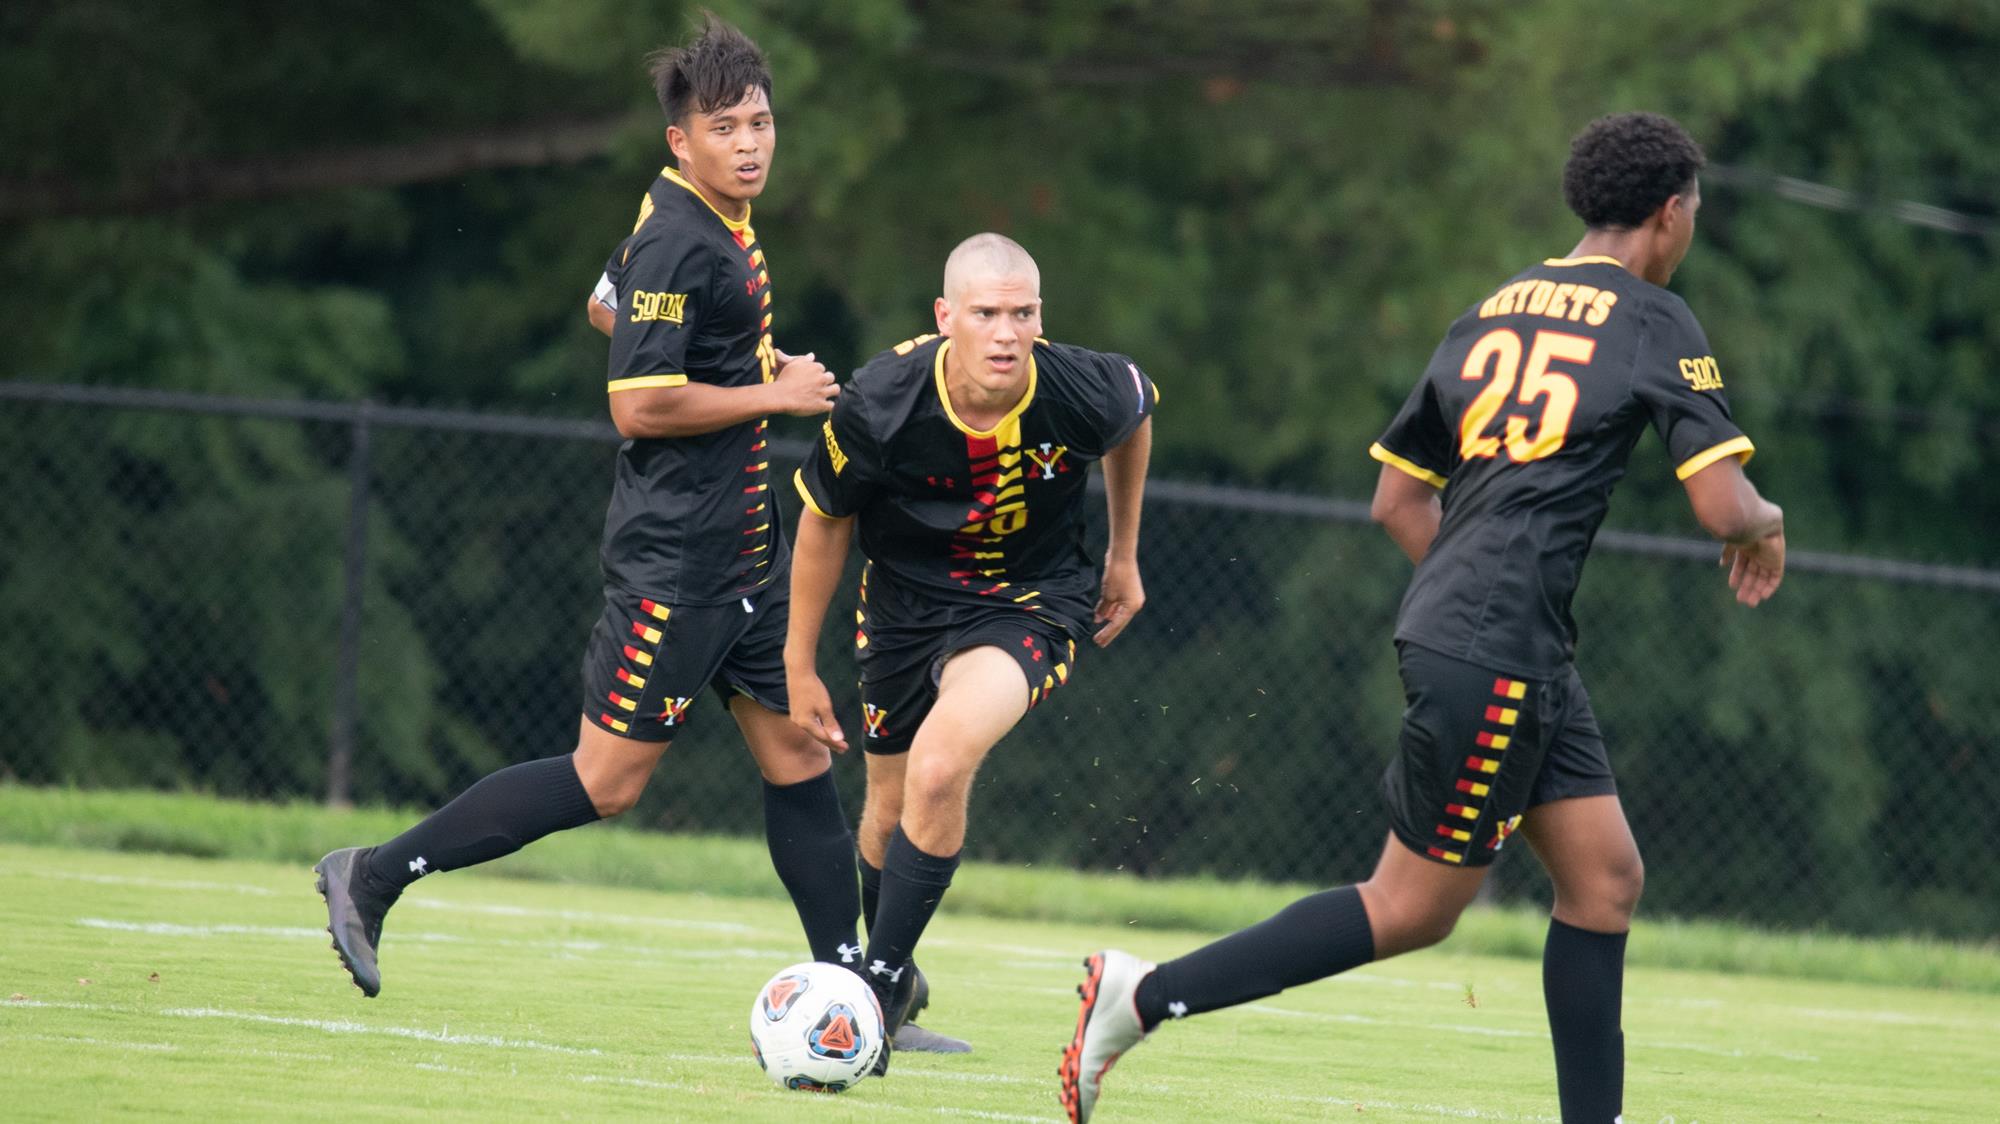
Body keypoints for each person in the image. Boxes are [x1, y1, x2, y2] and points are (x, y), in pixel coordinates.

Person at [1059, 111, 1786, 1124]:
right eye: (1693, 212)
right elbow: (1721, 504)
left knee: (1604, 877)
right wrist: (1766, 520)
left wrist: (1475, 601)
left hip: (1505, 642)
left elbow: (1397, 500)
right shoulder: (1651, 316)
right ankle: (1139, 997)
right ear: (1670, 213)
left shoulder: (1489, 310)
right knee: (1408, 906)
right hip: (1496, 648)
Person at [314, 15, 863, 1007]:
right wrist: (770, 394)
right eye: (725, 127)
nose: (749, 143)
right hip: (677, 562)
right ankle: (374, 871)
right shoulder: (679, 236)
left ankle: (862, 989)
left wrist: (745, 363)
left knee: (794, 747)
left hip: (744, 555)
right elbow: (639, 402)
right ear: (679, 141)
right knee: (606, 781)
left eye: (760, 122)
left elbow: (607, 305)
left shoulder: (705, 223)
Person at [787, 233, 1158, 1066]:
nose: (1005, 333)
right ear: (945, 317)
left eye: (1023, 313)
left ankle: (873, 995)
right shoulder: (881, 400)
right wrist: (798, 663)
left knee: (941, 763)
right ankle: (899, 986)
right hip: (901, 605)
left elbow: (1134, 419)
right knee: (886, 807)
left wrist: (1122, 553)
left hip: (1030, 599)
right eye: (986, 313)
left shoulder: (1077, 384)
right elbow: (823, 522)